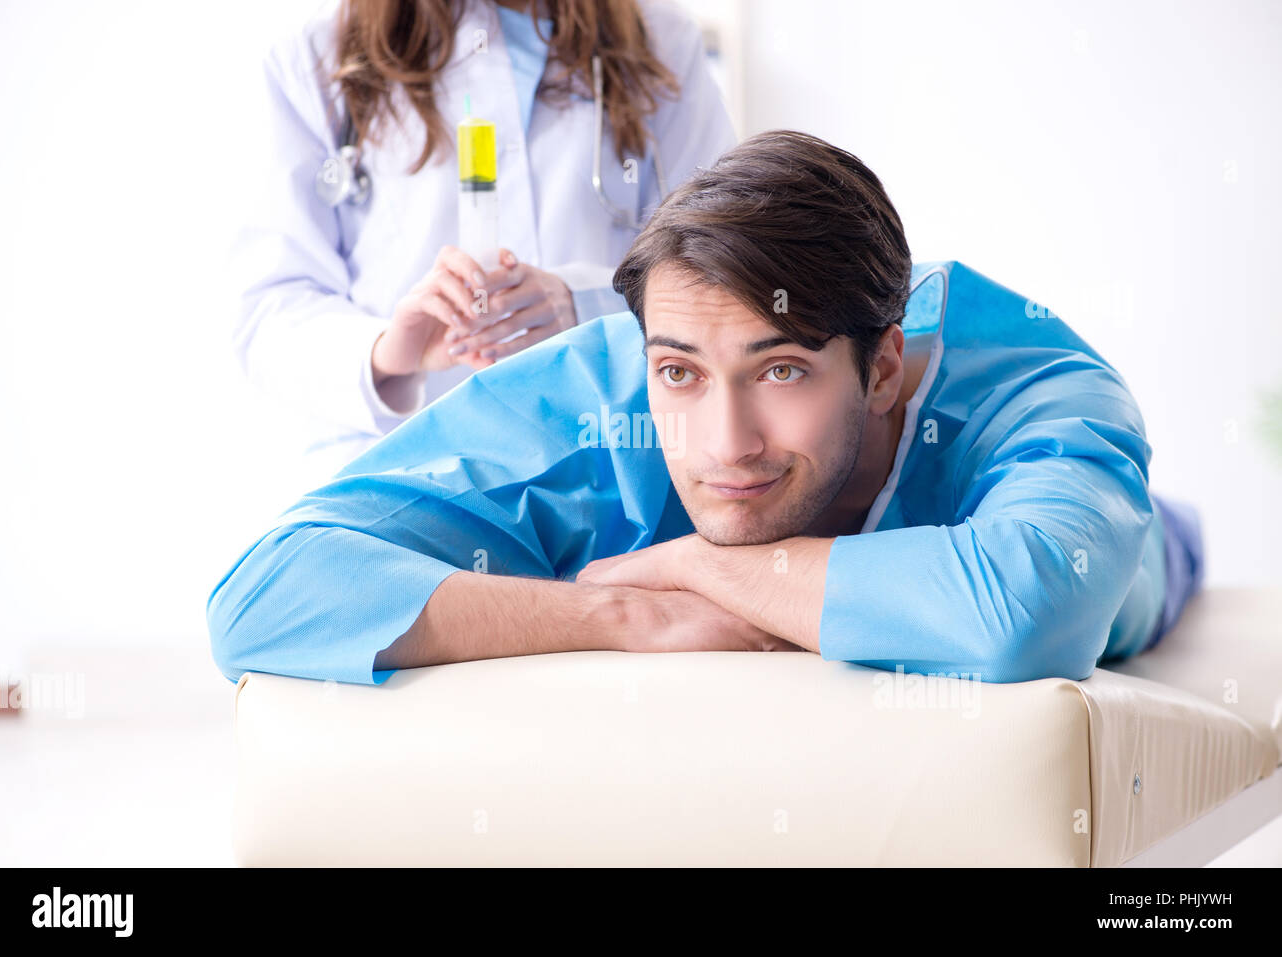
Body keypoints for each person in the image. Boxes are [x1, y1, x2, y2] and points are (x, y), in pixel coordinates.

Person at [207, 130, 1205, 686]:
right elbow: (265, 594)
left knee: (1153, 549)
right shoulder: (603, 384)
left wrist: (694, 564)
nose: (721, 446)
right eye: (679, 374)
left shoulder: (1046, 391)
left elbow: (1020, 614)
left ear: (884, 367)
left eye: (780, 373)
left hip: (1139, 553)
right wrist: (620, 611)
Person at [232, 0, 736, 483]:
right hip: (401, 472)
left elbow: (723, 265)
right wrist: (387, 353)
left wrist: (584, 305)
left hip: (607, 466)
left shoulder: (661, 37)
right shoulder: (317, 53)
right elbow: (270, 310)